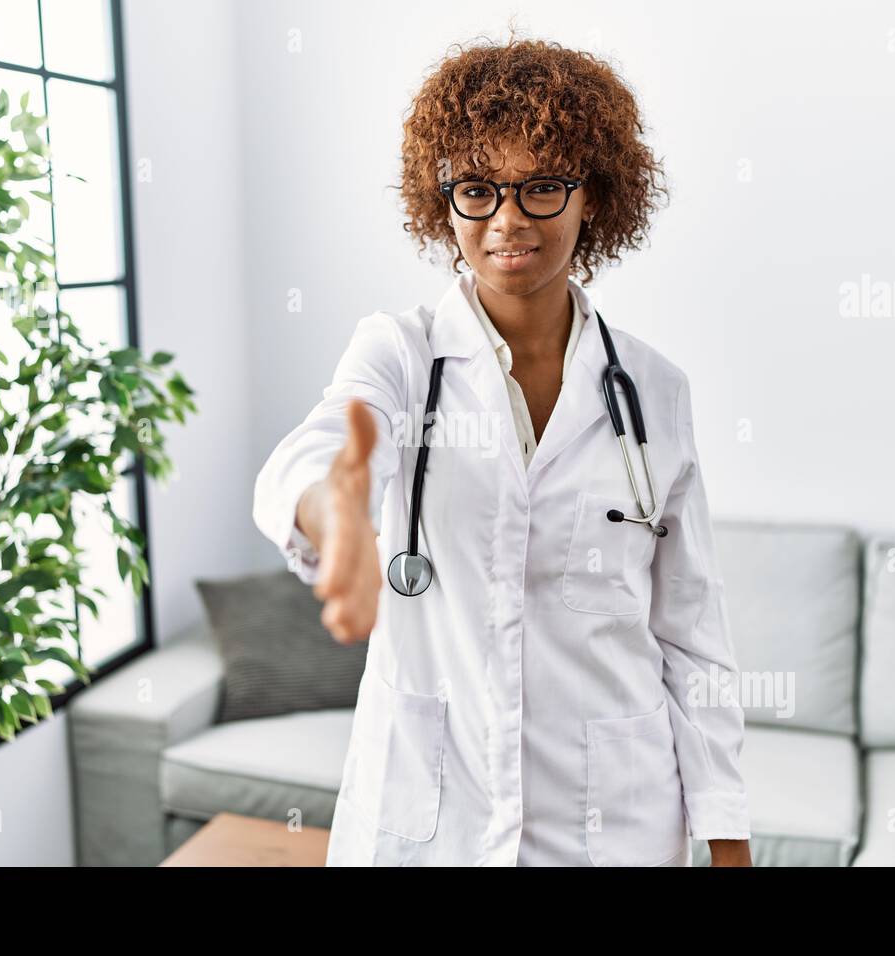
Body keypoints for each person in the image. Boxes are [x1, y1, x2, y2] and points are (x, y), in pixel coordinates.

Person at [253, 35, 752, 867]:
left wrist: (728, 845)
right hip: (429, 825)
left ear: (593, 197)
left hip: (611, 826)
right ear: (442, 202)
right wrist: (334, 510)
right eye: (478, 190)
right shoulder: (400, 357)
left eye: (542, 186)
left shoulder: (655, 393)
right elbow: (328, 441)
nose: (508, 219)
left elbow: (693, 636)